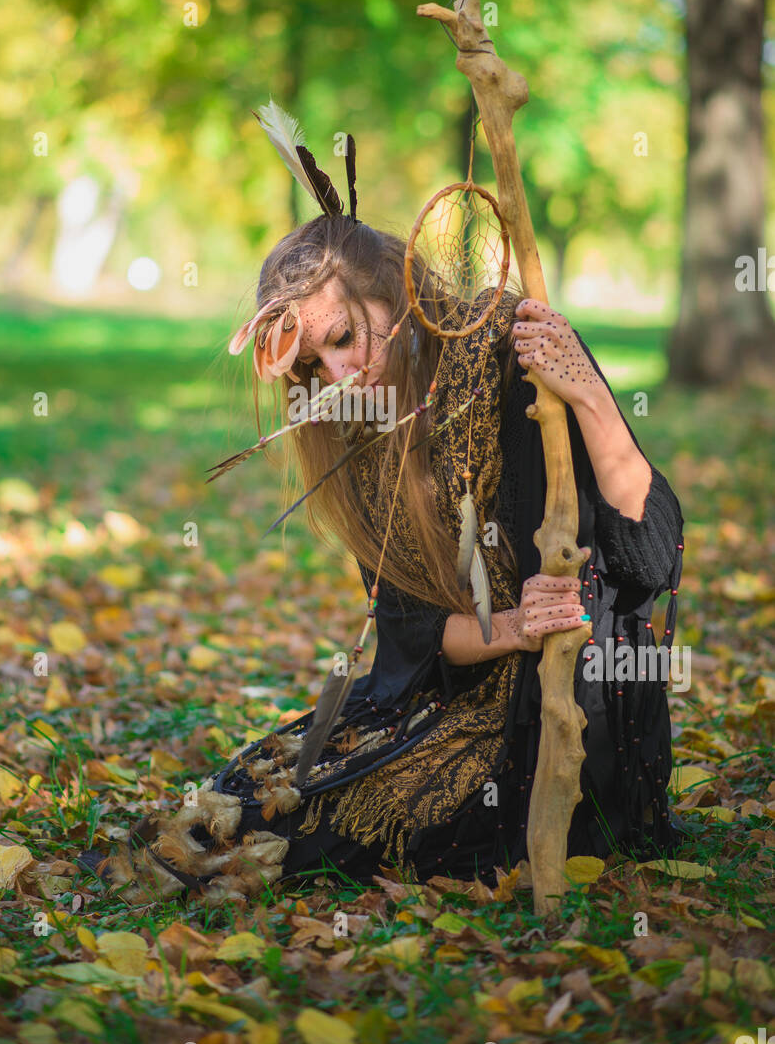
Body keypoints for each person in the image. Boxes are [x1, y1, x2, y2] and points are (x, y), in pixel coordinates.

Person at [102, 193, 686, 909]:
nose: (339, 375)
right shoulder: (360, 428)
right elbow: (411, 632)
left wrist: (588, 394)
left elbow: (648, 561)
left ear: (396, 293)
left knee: (412, 828)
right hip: (461, 690)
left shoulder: (515, 340)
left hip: (580, 697)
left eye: (344, 336)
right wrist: (509, 627)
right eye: (313, 366)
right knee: (263, 799)